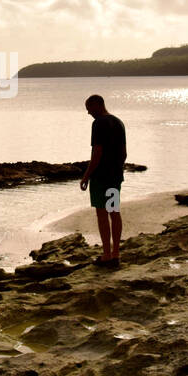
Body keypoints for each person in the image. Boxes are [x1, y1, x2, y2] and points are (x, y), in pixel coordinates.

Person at [79, 94, 126, 266]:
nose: (89, 113)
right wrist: (117, 170)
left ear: (98, 105)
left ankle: (106, 254)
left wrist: (86, 175)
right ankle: (116, 254)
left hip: (101, 177)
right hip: (114, 176)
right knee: (114, 212)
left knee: (102, 214)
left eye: (89, 109)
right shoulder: (118, 122)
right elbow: (123, 153)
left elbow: (97, 152)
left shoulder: (98, 123)